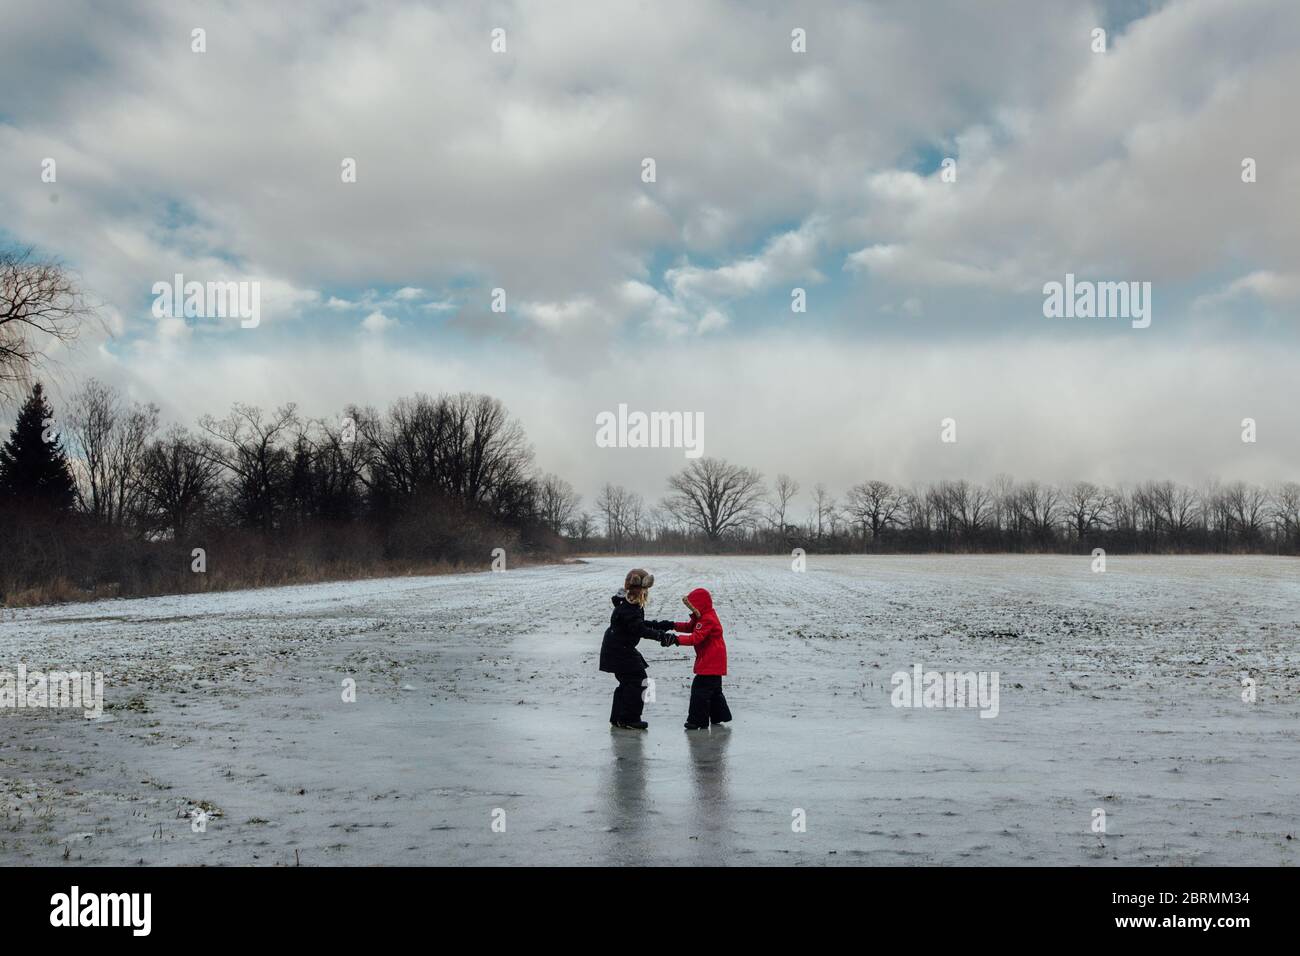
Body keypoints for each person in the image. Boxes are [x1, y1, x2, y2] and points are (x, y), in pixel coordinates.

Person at [600, 568, 676, 730]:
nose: (646, 593)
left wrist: (664, 626)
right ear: (639, 589)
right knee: (638, 681)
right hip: (620, 650)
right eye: (645, 589)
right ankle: (629, 719)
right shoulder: (629, 607)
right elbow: (640, 629)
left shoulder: (628, 603)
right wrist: (661, 637)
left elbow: (640, 624)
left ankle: (619, 717)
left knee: (627, 682)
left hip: (618, 647)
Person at [661, 587, 731, 730]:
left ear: (700, 605)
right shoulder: (703, 616)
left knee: (700, 690)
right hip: (715, 660)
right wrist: (672, 625)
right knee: (714, 690)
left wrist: (675, 640)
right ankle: (720, 715)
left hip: (710, 660)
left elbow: (695, 638)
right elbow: (689, 627)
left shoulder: (707, 619)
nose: (692, 610)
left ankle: (697, 720)